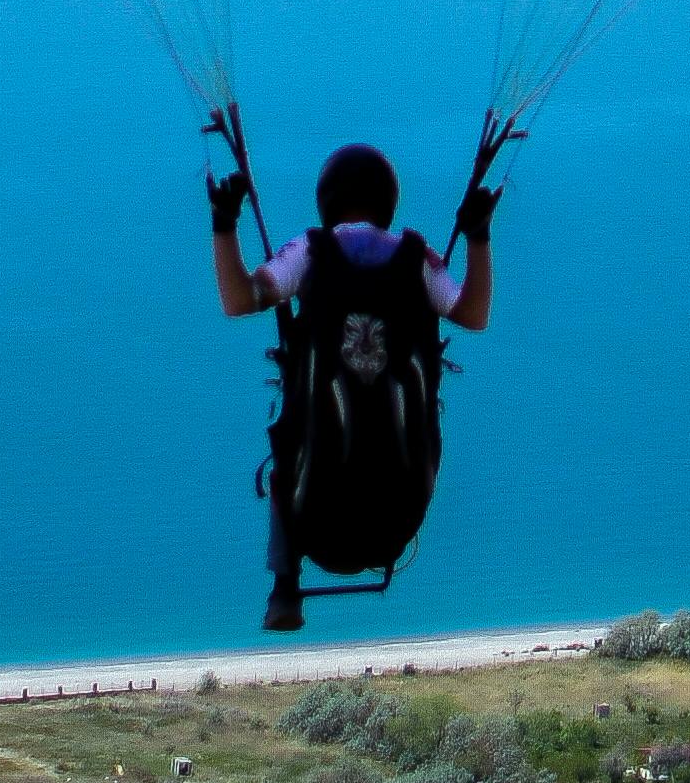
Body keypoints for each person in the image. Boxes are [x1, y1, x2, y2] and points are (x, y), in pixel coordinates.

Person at [210, 136, 498, 634]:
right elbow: (472, 313)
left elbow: (240, 299)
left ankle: (284, 582)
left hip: (317, 515)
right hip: (398, 514)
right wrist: (478, 237)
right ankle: (286, 579)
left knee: (286, 440)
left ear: (326, 201)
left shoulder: (308, 253)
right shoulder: (418, 259)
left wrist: (224, 226)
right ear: (389, 200)